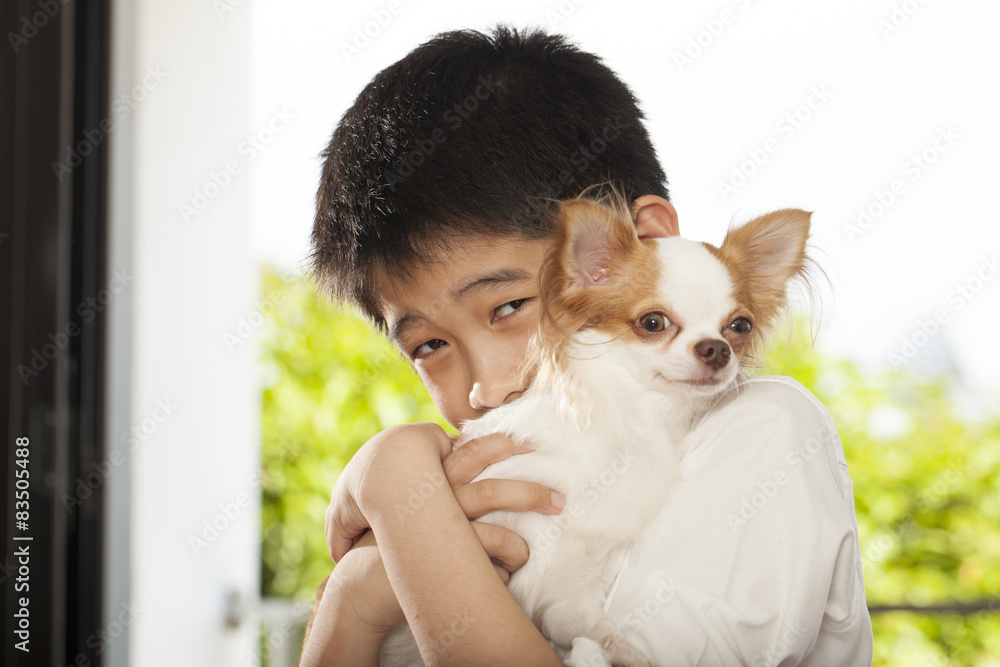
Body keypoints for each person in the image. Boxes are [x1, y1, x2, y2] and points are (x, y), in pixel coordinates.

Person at [299, 25, 873, 666]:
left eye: (510, 306)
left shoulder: (765, 430)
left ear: (644, 241)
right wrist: (351, 603)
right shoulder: (506, 481)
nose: (488, 385)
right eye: (429, 346)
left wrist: (399, 495)